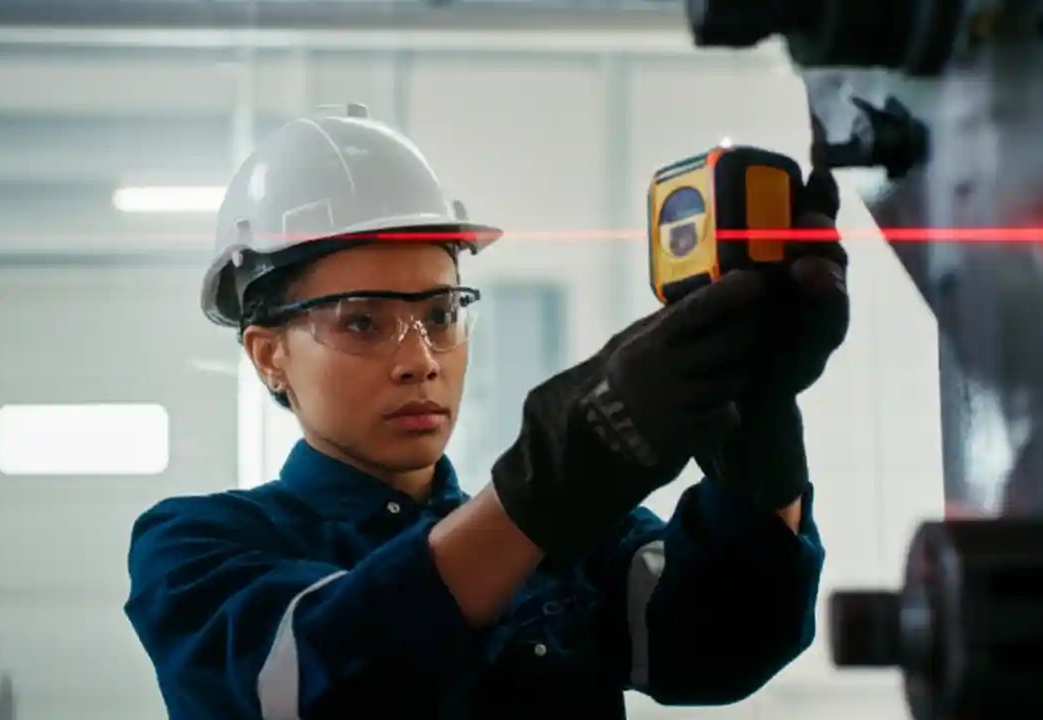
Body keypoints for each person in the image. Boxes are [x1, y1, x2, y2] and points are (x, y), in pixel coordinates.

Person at [124, 103, 850, 720]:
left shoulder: (573, 539)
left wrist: (756, 422)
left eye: (440, 313)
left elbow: (722, 644)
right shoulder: (194, 550)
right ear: (267, 355)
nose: (420, 358)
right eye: (361, 322)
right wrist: (559, 471)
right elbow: (318, 681)